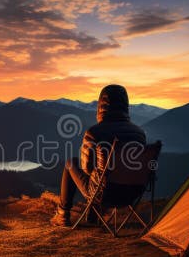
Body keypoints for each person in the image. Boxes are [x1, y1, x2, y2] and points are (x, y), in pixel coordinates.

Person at [51, 84, 147, 227]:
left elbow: (87, 170)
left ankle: (63, 214)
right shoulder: (140, 134)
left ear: (101, 105)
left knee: (72, 163)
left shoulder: (94, 133)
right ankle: (93, 214)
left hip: (105, 195)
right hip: (132, 193)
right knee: (102, 173)